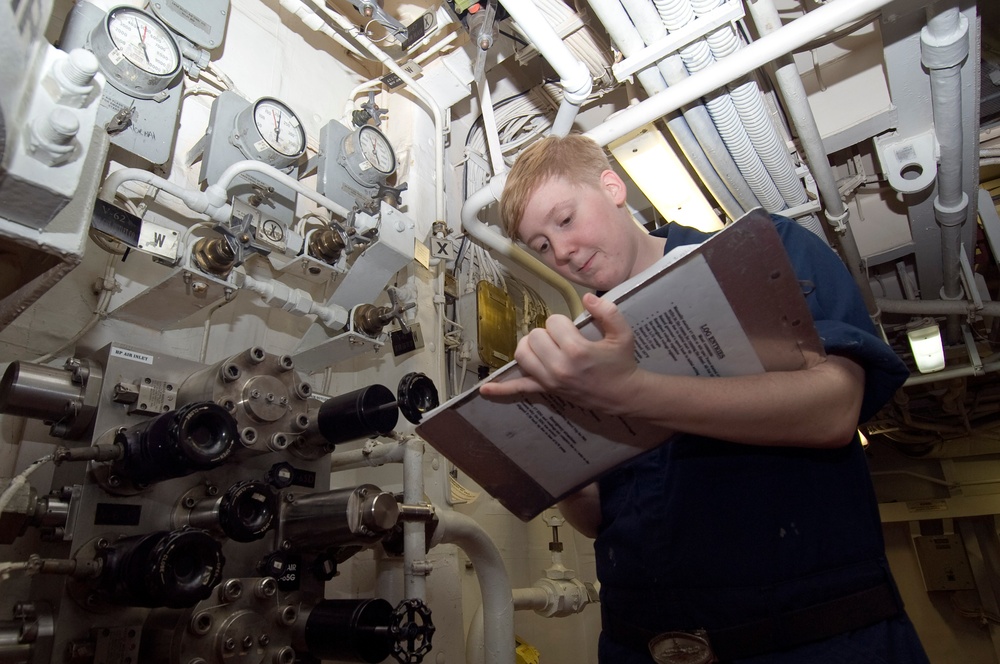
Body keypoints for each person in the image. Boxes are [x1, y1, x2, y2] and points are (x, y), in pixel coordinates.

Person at [478, 134, 929, 664]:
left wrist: (630, 392)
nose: (563, 251)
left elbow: (835, 410)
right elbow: (601, 520)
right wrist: (559, 466)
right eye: (542, 246)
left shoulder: (760, 252)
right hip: (642, 644)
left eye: (565, 219)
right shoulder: (579, 357)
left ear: (612, 187)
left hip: (817, 638)